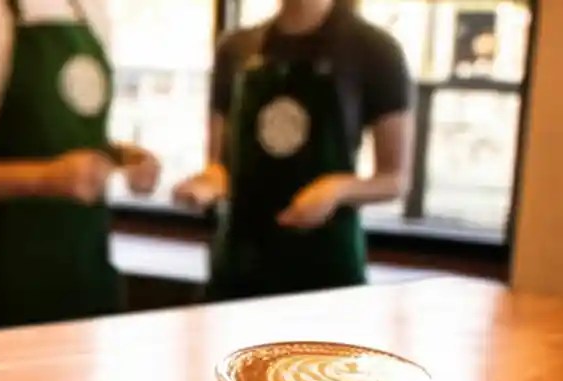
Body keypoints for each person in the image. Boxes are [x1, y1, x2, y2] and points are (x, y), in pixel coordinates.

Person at [0, 0, 161, 334]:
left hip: (86, 275)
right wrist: (46, 178)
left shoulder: (89, 10)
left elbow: (65, 135)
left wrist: (124, 158)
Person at [173, 0, 413, 301]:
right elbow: (220, 166)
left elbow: (394, 179)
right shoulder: (236, 49)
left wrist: (335, 190)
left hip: (326, 268)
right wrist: (204, 185)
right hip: (240, 265)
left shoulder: (375, 50)